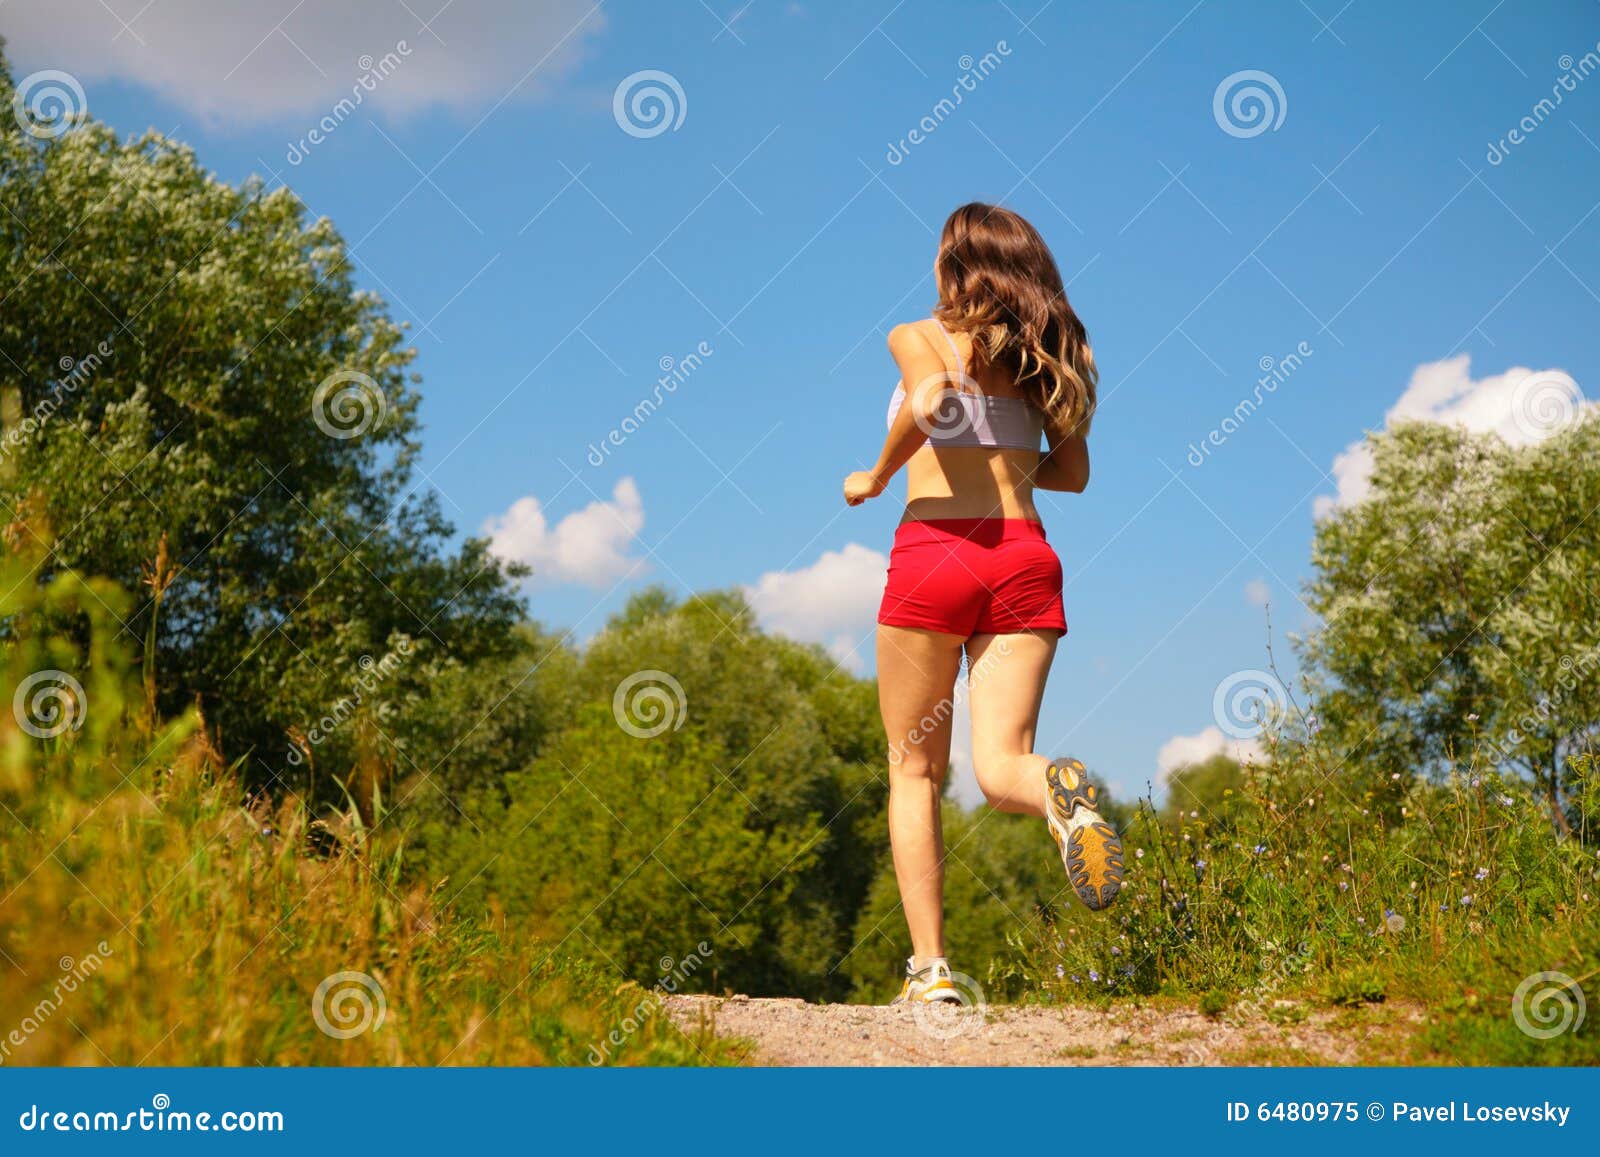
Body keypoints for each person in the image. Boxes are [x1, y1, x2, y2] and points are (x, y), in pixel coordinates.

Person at [843, 202, 1123, 1005]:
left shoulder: (919, 335)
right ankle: (1061, 792)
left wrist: (877, 473)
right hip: (1024, 560)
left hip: (937, 553)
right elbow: (1071, 476)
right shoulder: (1054, 358)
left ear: (951, 264)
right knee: (1003, 769)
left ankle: (930, 970)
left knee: (913, 768)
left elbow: (932, 404)